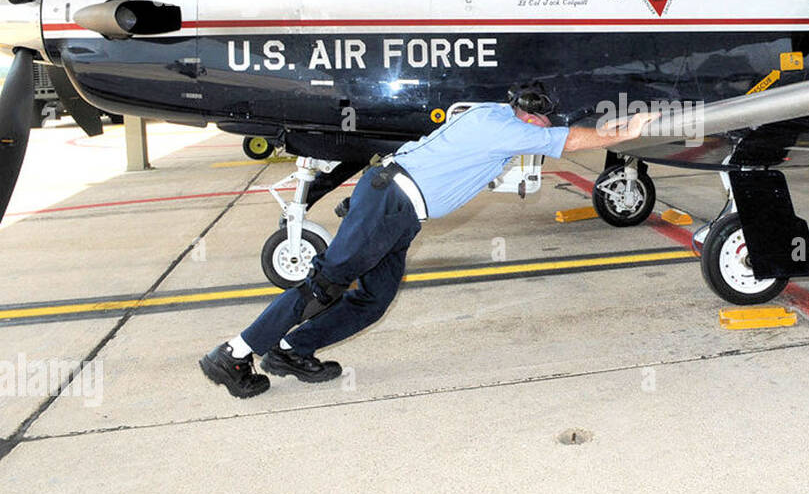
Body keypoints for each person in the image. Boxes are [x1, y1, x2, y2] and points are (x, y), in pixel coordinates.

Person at [199, 82, 659, 398]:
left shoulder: (492, 114)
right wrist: (628, 129)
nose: (542, 130)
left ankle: (291, 350)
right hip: (392, 203)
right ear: (530, 115)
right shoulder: (505, 127)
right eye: (542, 121)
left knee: (373, 299)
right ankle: (233, 353)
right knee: (324, 285)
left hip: (395, 207)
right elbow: (573, 140)